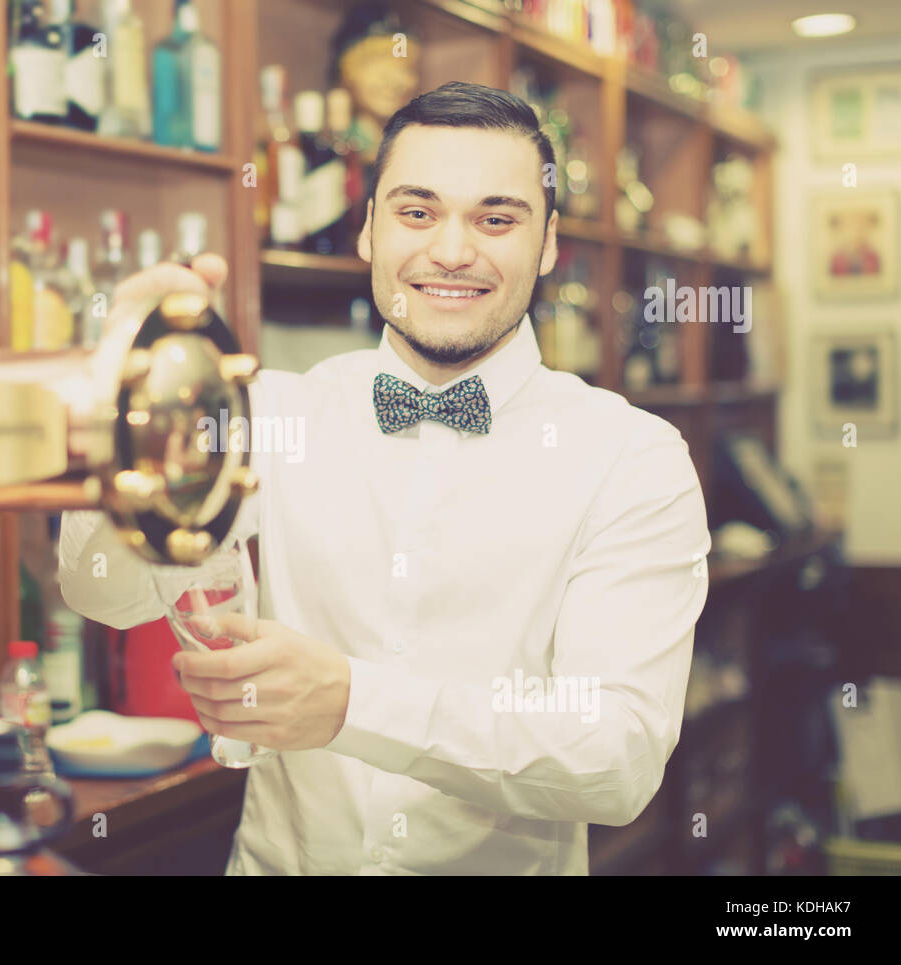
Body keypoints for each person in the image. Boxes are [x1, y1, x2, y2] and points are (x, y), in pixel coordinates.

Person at [58, 81, 711, 875]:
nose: (451, 250)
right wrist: (124, 379)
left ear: (546, 246)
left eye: (495, 218)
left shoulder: (631, 456)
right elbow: (104, 593)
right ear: (367, 229)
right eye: (417, 211)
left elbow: (617, 756)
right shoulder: (269, 412)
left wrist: (353, 704)